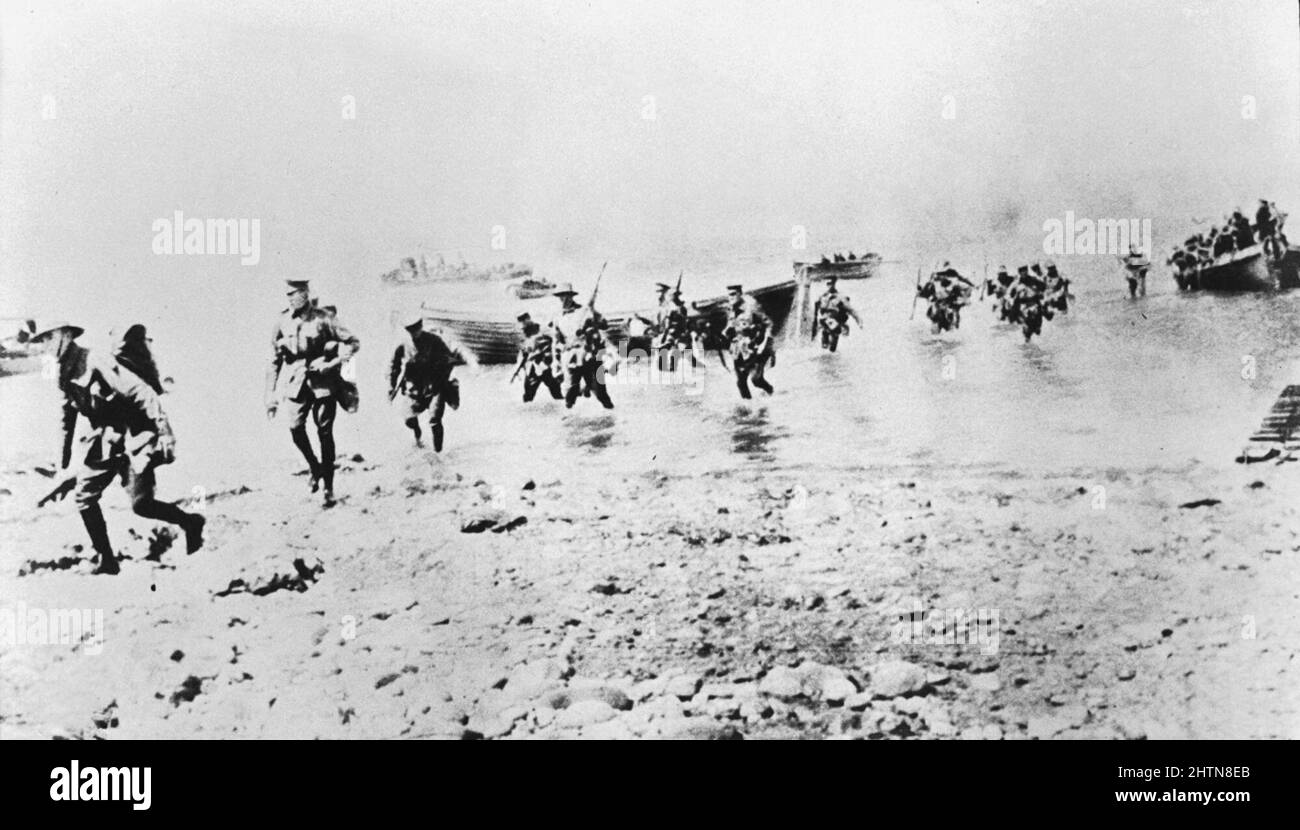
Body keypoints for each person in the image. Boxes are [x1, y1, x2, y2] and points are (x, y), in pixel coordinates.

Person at [34, 322, 205, 575]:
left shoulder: (96, 359)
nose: (45, 345)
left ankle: (191, 522)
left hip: (134, 435)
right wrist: (63, 464)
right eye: (42, 339)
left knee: (142, 505)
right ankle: (107, 560)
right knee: (84, 497)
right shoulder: (62, 372)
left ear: (67, 335)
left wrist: (165, 430)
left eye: (49, 337)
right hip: (104, 442)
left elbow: (141, 391)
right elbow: (65, 419)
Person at [265, 279, 360, 506]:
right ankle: (315, 467)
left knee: (324, 433)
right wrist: (270, 395)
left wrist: (334, 362)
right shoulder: (282, 321)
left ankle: (329, 487)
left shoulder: (324, 318)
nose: (290, 298)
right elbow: (274, 360)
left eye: (295, 293)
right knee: (296, 429)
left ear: (306, 294)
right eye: (287, 294)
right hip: (296, 381)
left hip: (323, 383)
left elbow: (353, 342)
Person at [389, 313, 464, 450]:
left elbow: (450, 360)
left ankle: (438, 452)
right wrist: (391, 386)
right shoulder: (402, 345)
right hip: (413, 389)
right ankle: (417, 433)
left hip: (434, 387)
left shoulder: (434, 340)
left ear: (421, 326)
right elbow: (394, 366)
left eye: (416, 329)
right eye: (410, 330)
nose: (414, 333)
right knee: (408, 420)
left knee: (435, 421)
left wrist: (441, 374)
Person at [549, 282, 615, 409]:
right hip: (570, 357)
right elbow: (556, 341)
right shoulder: (557, 317)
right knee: (570, 393)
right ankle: (569, 422)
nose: (563, 299)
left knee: (600, 391)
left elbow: (604, 325)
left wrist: (594, 313)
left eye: (566, 296)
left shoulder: (584, 311)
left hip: (589, 355)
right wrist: (555, 361)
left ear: (571, 296)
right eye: (560, 296)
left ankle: (612, 417)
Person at [723, 284, 774, 399]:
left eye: (733, 294)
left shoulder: (752, 307)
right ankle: (749, 408)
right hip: (738, 349)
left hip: (754, 348)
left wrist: (765, 344)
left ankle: (771, 392)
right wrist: (726, 331)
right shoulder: (730, 309)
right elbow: (731, 326)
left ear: (740, 294)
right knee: (741, 382)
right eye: (728, 295)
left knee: (756, 380)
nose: (730, 298)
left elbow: (769, 324)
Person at [513, 313, 563, 403]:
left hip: (546, 364)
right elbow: (524, 351)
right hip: (533, 367)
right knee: (528, 395)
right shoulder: (524, 332)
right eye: (521, 321)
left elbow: (556, 337)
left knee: (556, 392)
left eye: (524, 320)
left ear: (529, 318)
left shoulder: (542, 329)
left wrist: (554, 356)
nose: (523, 323)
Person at [811, 276, 862, 352]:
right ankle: (824, 342)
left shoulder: (840, 297)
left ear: (834, 284)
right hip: (824, 320)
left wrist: (859, 321)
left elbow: (851, 310)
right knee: (824, 339)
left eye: (831, 283)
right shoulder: (821, 297)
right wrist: (814, 323)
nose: (829, 286)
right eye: (828, 284)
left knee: (834, 336)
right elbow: (815, 310)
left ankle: (831, 347)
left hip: (835, 320)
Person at [113, 323, 163, 394]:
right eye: (149, 340)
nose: (150, 344)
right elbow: (158, 390)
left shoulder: (118, 359)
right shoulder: (145, 365)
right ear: (142, 340)